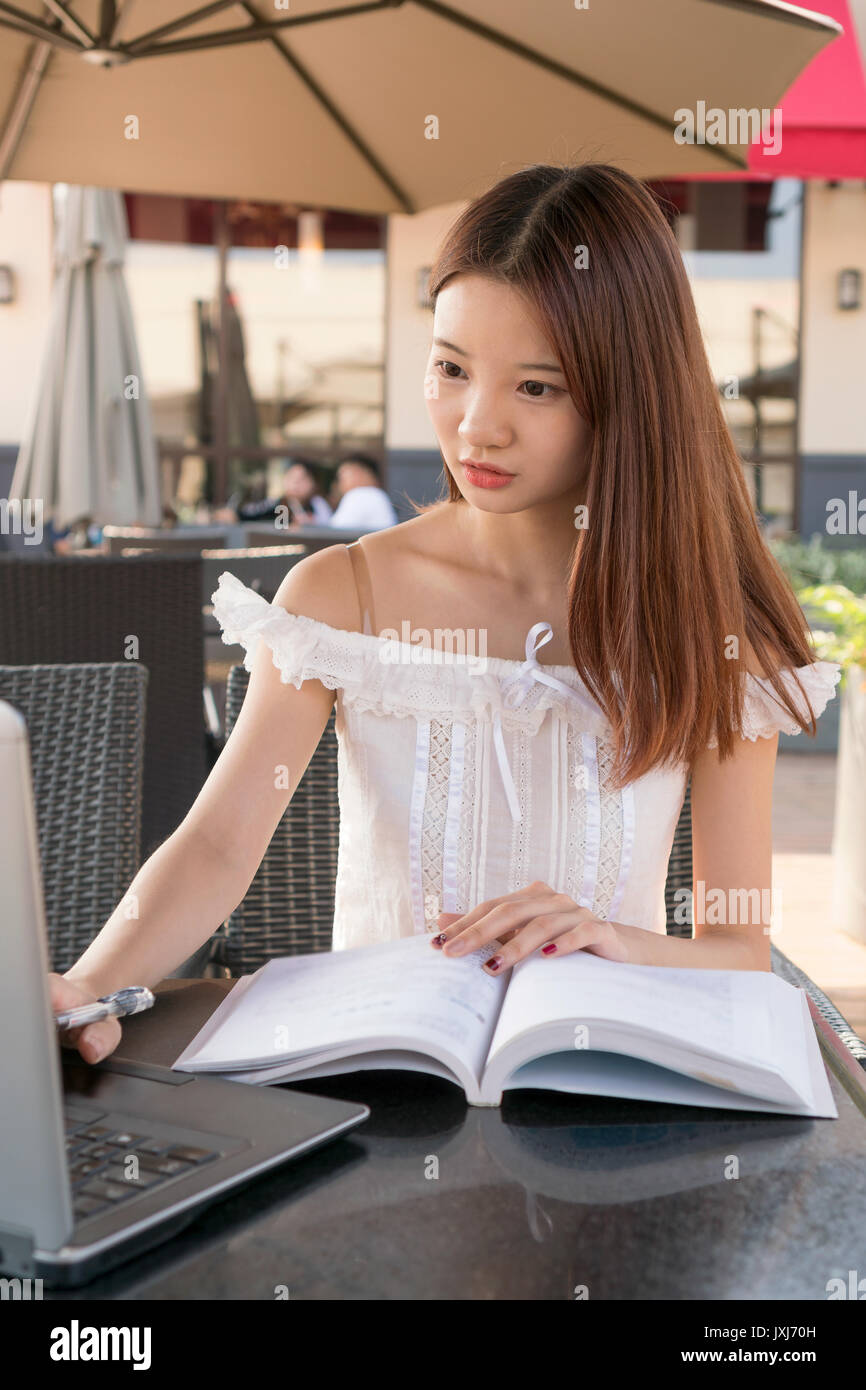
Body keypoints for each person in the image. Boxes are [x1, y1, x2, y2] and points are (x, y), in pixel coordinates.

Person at [52, 162, 841, 1065]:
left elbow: (737, 952)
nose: (475, 426)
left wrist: (617, 942)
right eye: (452, 368)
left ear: (632, 393)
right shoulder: (342, 593)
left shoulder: (717, 625)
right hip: (374, 1093)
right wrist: (85, 992)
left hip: (607, 1102)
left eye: (536, 387)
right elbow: (218, 847)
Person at [214, 460, 333, 527]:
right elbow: (250, 514)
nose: (296, 484)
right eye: (292, 478)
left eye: (302, 479)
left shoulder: (318, 504)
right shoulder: (280, 505)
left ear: (313, 483)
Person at [327, 453, 397, 530]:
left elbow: (335, 531)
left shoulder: (362, 494)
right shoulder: (376, 495)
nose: (339, 484)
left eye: (342, 477)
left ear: (359, 474)